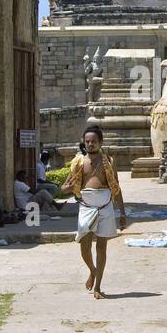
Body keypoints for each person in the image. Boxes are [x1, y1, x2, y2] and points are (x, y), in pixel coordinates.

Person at [60, 125, 126, 298]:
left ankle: (98, 287)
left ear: (100, 142)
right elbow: (64, 188)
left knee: (101, 248)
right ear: (84, 142)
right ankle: (92, 270)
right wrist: (68, 187)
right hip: (86, 207)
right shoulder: (78, 163)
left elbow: (116, 188)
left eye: (94, 141)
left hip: (105, 206)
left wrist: (122, 213)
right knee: (84, 247)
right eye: (87, 141)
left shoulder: (109, 162)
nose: (90, 144)